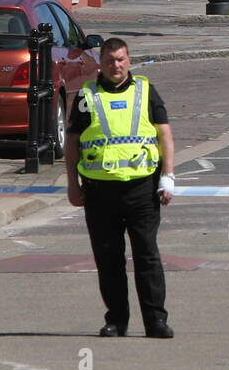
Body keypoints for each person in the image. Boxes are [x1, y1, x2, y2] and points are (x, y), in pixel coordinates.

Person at [65, 38, 176, 337]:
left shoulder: (144, 90)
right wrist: (71, 185)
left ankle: (156, 321)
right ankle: (116, 320)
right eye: (110, 60)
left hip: (142, 188)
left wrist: (169, 176)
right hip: (99, 191)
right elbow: (72, 141)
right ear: (100, 62)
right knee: (108, 258)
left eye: (121, 59)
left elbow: (164, 133)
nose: (116, 65)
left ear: (129, 60)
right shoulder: (88, 95)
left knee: (147, 254)